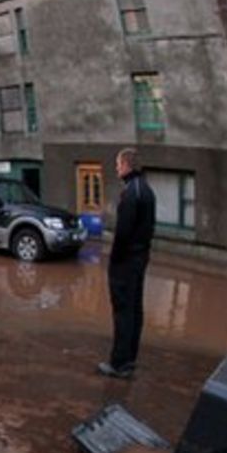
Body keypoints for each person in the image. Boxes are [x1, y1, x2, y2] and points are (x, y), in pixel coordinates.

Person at [98, 148, 156, 379]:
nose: (116, 169)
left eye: (118, 164)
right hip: (139, 259)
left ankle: (119, 363)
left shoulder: (131, 193)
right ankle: (129, 359)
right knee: (134, 309)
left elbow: (123, 234)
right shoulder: (146, 190)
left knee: (123, 311)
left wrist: (114, 262)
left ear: (126, 165)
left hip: (126, 262)